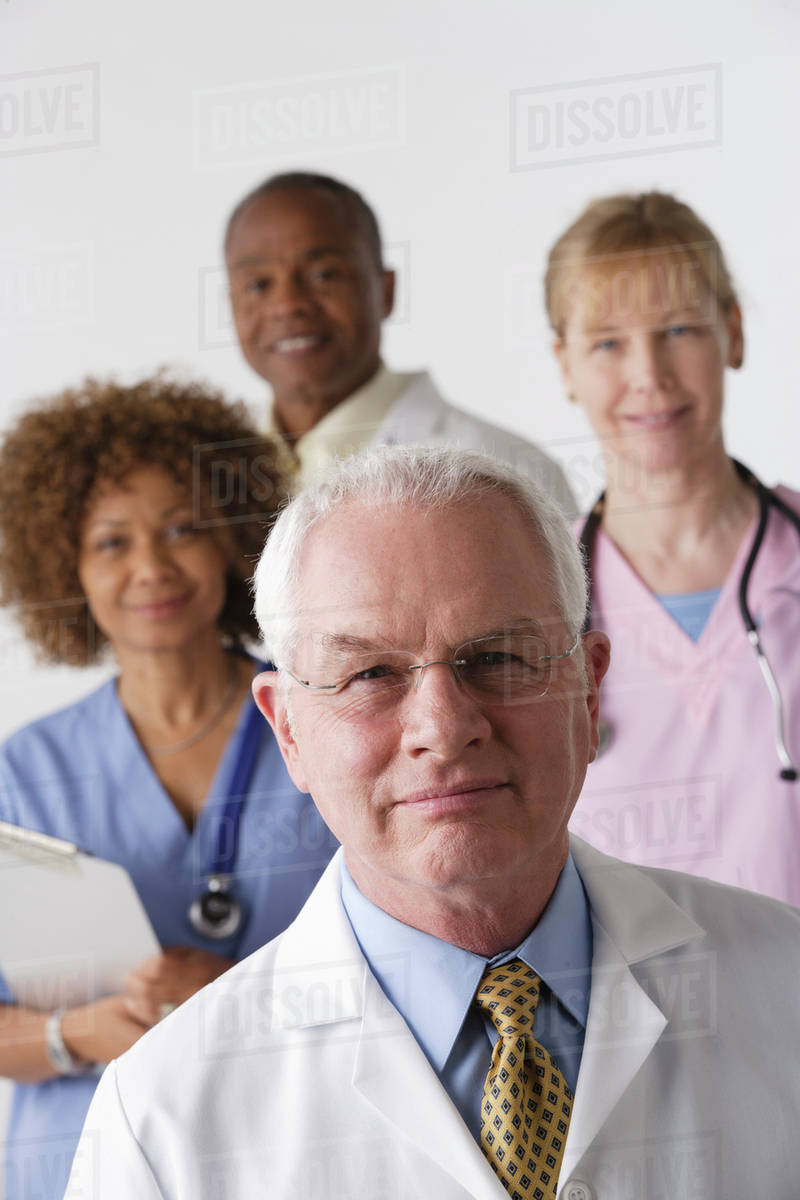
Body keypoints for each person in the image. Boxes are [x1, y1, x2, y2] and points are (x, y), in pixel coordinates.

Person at [66, 446, 800, 1200]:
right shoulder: (161, 1117)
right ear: (289, 732)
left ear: (589, 691)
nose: (444, 729)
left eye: (499, 656)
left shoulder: (786, 984)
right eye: (371, 675)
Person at [0, 376, 337, 1200]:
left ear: (235, 541)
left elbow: (420, 963)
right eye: (112, 542)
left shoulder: (330, 719)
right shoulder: (25, 773)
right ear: (66, 565)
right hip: (78, 1166)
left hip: (297, 1151)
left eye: (183, 528)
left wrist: (239, 999)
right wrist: (76, 1032)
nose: (151, 566)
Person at [544, 191, 800, 906]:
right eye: (608, 343)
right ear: (565, 365)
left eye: (681, 329)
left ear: (734, 333)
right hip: (618, 1009)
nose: (649, 373)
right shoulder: (534, 594)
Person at [224, 169, 577, 514]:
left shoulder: (509, 468)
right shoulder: (209, 468)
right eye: (258, 284)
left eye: (324, 274)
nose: (287, 304)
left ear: (386, 291)